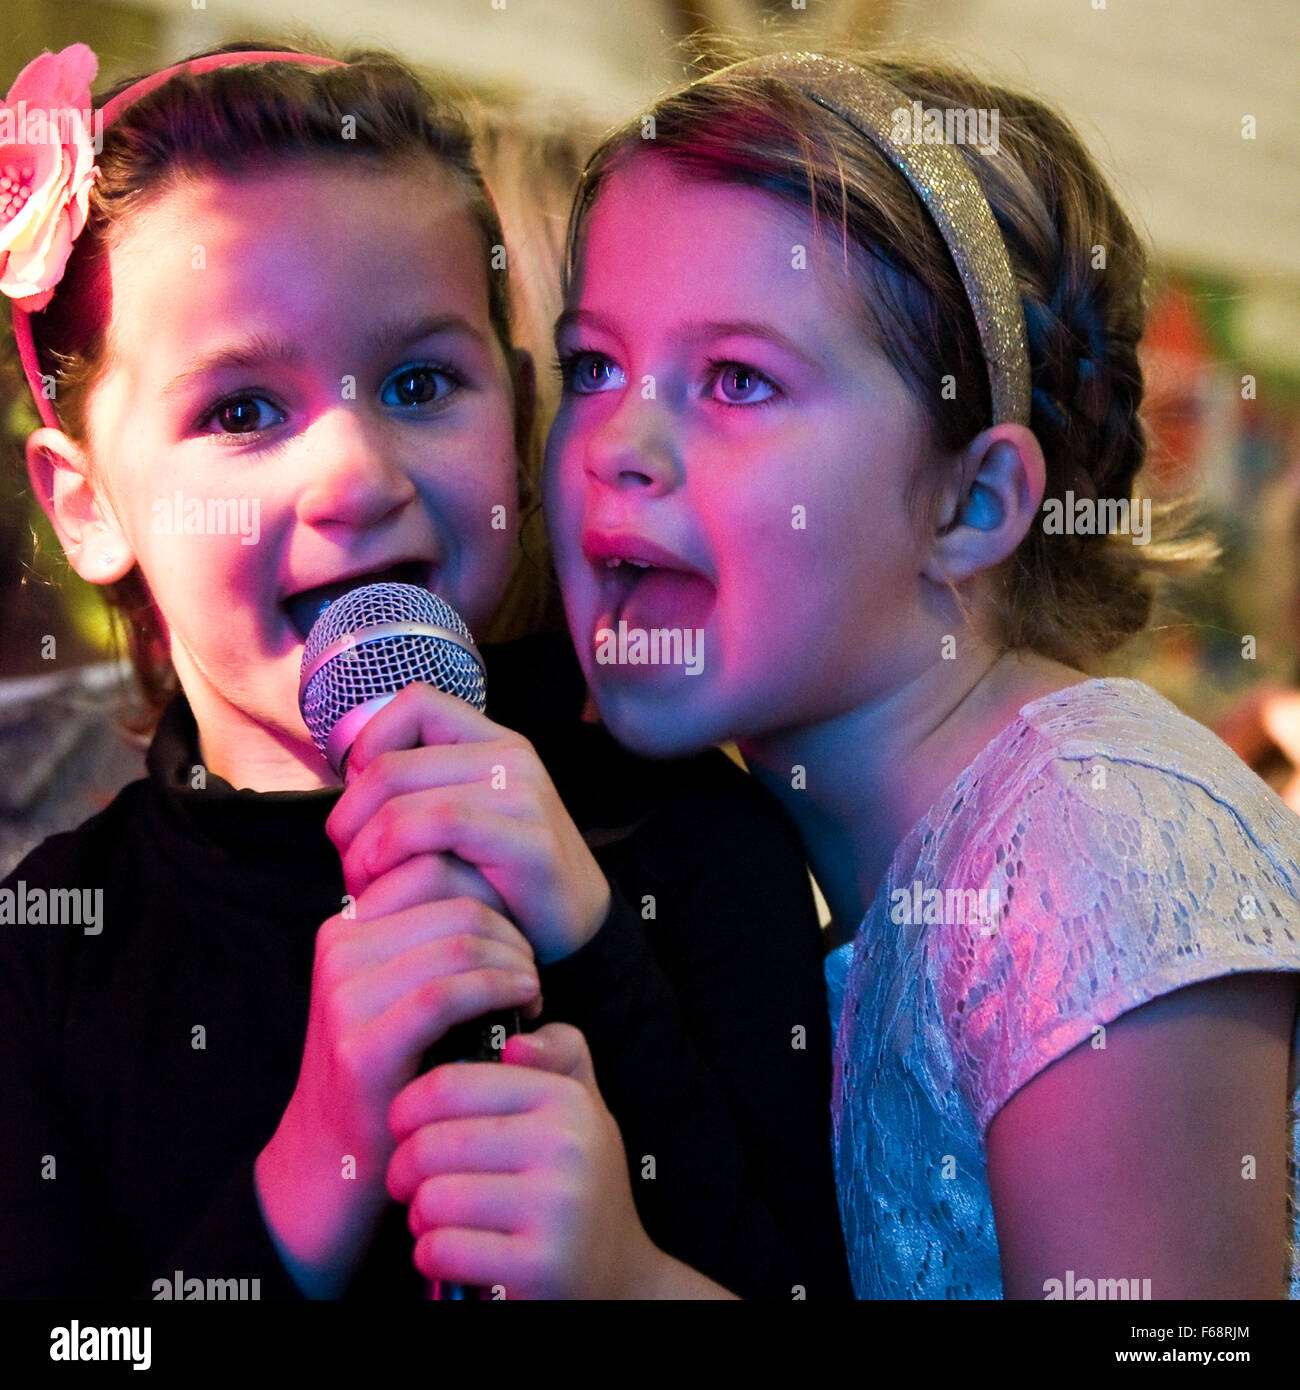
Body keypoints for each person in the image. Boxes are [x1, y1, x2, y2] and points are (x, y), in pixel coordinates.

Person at [0, 40, 850, 1299]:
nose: (354, 475)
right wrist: (308, 1178)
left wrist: (600, 956)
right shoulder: (55, 954)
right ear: (84, 505)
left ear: (514, 415)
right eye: (241, 410)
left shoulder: (697, 835)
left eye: (417, 382)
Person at [508, 49, 1300, 1298]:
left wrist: (633, 1285)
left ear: (971, 501)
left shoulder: (1084, 846)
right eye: (594, 365)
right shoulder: (840, 874)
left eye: (736, 379)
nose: (619, 444)